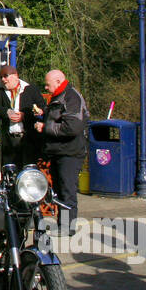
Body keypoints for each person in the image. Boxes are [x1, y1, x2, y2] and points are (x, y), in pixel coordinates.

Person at [34, 69, 88, 231]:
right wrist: (45, 114)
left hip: (70, 151)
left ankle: (68, 227)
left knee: (67, 189)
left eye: (48, 84)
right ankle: (63, 224)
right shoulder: (59, 96)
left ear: (58, 81)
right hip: (58, 151)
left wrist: (44, 127)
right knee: (59, 189)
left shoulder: (71, 97)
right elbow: (60, 119)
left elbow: (72, 127)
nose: (45, 87)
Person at [0, 64, 44, 170]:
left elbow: (42, 108)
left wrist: (24, 116)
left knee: (28, 175)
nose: (3, 79)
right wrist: (7, 112)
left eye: (5, 76)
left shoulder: (30, 89)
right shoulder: (0, 92)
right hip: (9, 142)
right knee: (10, 173)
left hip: (28, 141)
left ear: (15, 75)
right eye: (1, 77)